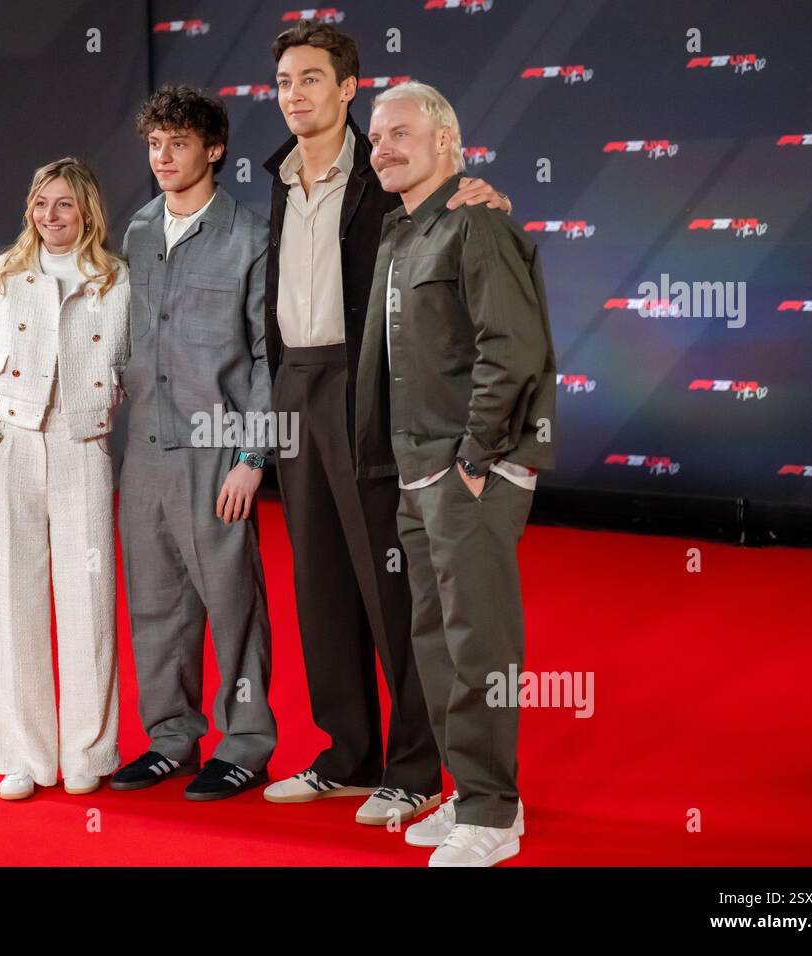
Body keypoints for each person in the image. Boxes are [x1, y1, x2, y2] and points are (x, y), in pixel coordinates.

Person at [259, 19, 513, 829]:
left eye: (310, 80)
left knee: (389, 578)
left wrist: (486, 190)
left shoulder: (382, 173)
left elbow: (448, 211)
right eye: (284, 82)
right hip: (295, 386)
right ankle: (348, 755)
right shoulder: (276, 178)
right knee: (319, 580)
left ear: (346, 90)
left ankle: (412, 766)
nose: (294, 95)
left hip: (368, 389)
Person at [358, 81, 556, 866]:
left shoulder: (477, 221)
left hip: (470, 467)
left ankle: (494, 812)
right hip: (417, 469)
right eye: (375, 138)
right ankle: (465, 792)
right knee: (435, 640)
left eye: (400, 133)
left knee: (479, 642)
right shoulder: (405, 231)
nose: (383, 149)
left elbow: (512, 351)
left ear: (446, 138)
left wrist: (477, 457)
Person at [108, 86, 278, 802]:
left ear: (213, 150)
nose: (164, 157)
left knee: (232, 604)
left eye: (179, 143)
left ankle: (246, 745)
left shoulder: (251, 237)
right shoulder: (139, 232)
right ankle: (171, 738)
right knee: (154, 606)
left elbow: (272, 358)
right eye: (154, 144)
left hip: (219, 449)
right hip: (143, 448)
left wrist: (250, 459)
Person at [0, 158, 130, 801]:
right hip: (15, 446)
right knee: (11, 596)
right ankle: (23, 754)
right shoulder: (0, 277)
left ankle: (89, 750)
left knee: (89, 602)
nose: (50, 217)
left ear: (87, 212)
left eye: (63, 205)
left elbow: (134, 361)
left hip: (83, 447)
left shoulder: (114, 280)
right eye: (40, 205)